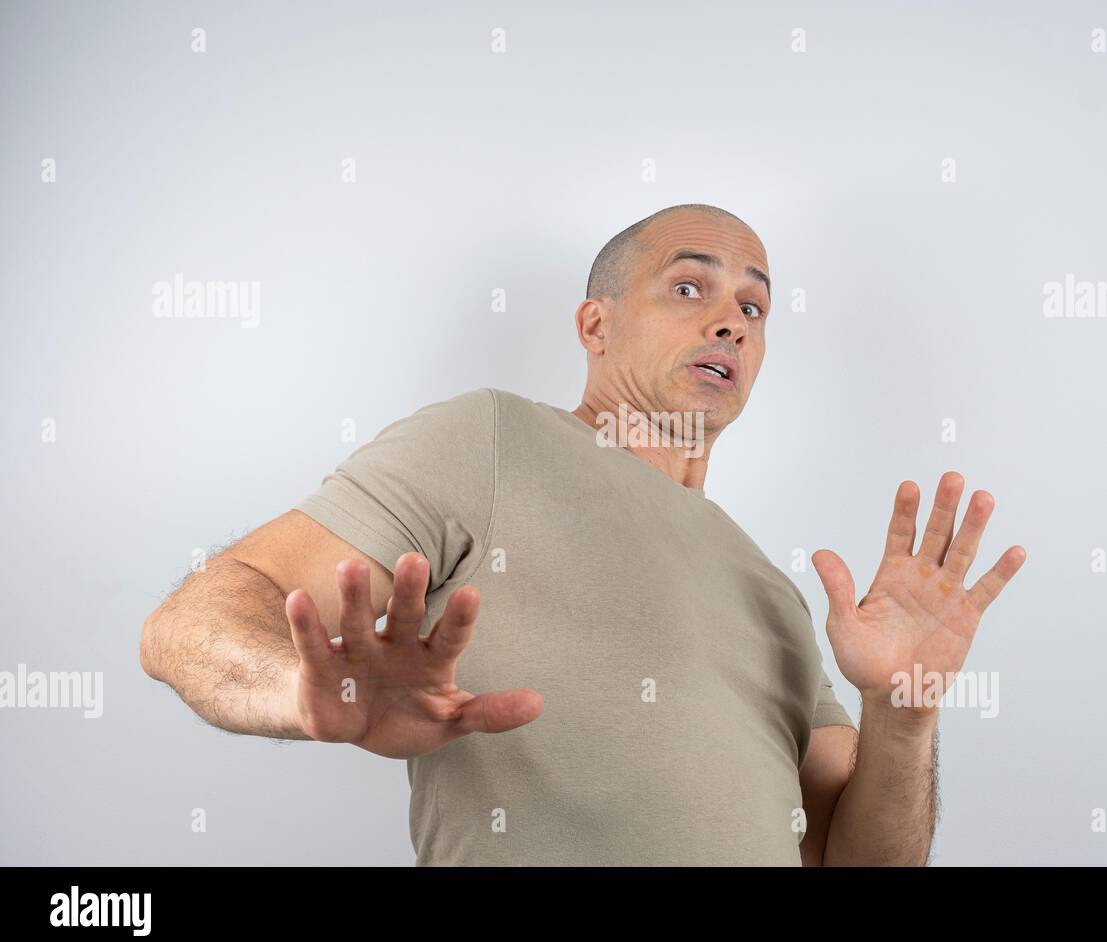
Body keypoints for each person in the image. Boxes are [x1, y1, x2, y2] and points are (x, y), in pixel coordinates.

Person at [139, 203, 1026, 865]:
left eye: (754, 310)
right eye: (690, 287)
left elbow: (855, 863)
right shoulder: (490, 438)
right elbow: (189, 624)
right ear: (595, 325)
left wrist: (902, 710)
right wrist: (300, 691)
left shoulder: (777, 593)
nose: (730, 322)